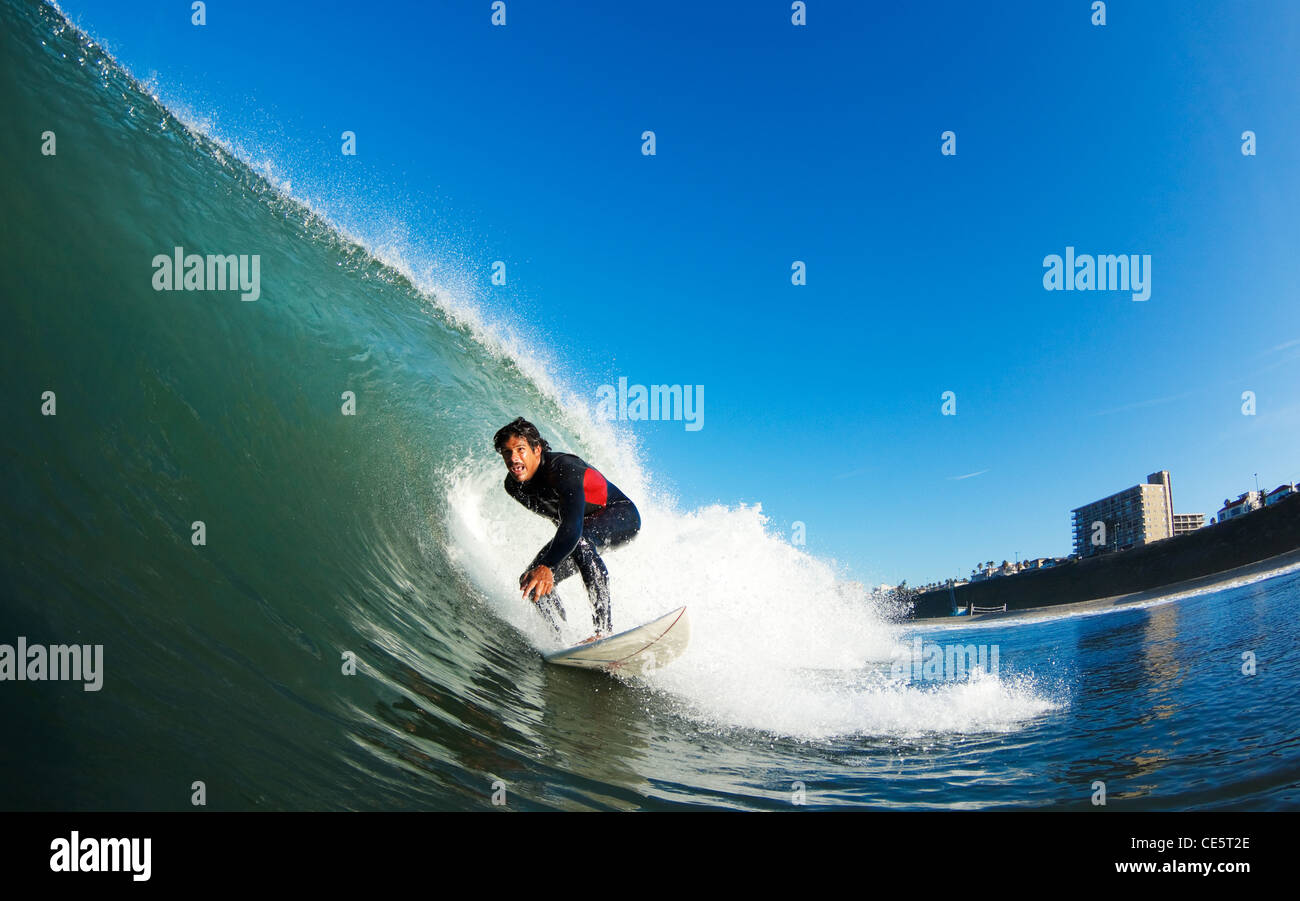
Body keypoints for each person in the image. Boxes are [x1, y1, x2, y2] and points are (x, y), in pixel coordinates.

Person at [494, 417, 640, 642]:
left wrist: (549, 564)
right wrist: (546, 567)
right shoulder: (514, 487)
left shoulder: (563, 469)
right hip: (580, 527)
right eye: (506, 452)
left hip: (621, 515)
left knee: (578, 541)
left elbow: (572, 525)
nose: (513, 458)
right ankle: (561, 639)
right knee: (532, 580)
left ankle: (603, 632)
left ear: (537, 449)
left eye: (520, 450)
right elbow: (558, 518)